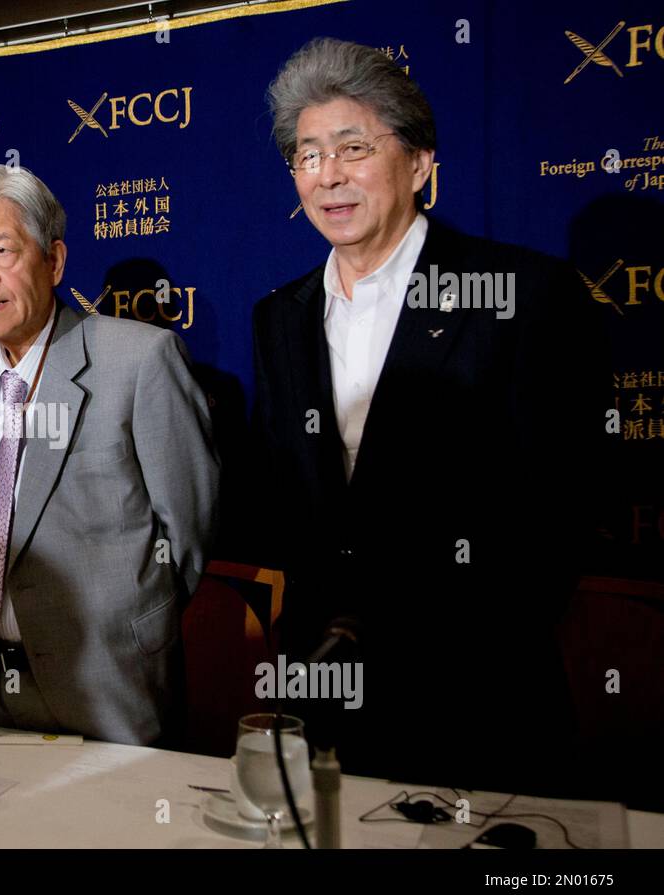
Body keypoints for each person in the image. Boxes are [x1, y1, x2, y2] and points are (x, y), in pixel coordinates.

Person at [250, 38, 607, 793]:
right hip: (321, 695)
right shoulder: (280, 316)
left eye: (353, 147)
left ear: (420, 164)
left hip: (478, 697)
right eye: (308, 156)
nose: (329, 175)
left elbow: (565, 504)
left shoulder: (521, 294)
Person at [0, 165, 220, 746]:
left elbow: (186, 535)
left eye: (1, 250)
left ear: (54, 261)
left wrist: (133, 625)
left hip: (102, 683)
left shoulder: (141, 360)